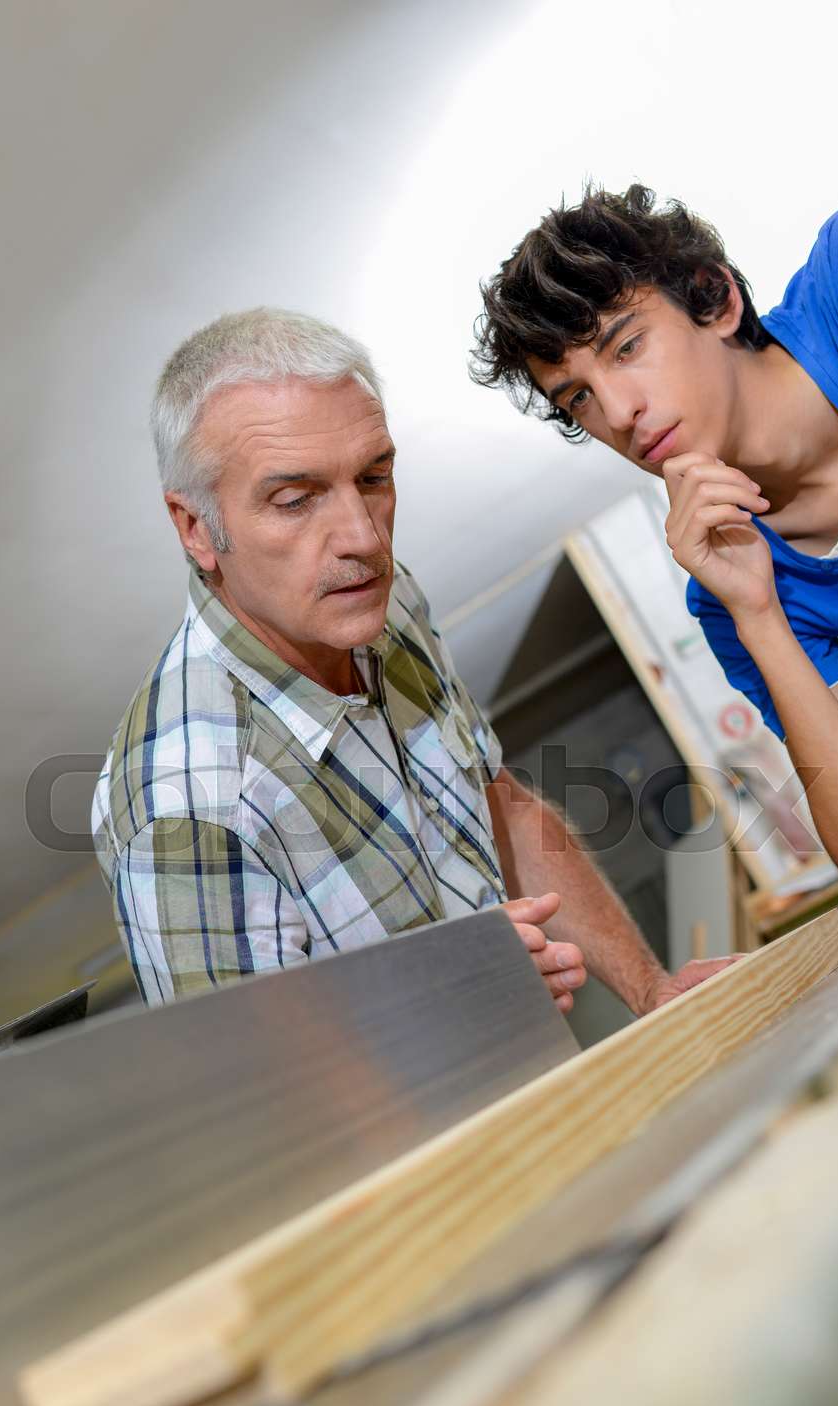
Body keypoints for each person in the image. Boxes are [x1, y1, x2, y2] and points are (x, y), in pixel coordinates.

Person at [92, 307, 729, 1012]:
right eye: (296, 499)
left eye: (372, 477)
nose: (361, 537)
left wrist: (654, 991)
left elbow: (502, 809)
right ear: (195, 528)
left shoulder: (379, 606)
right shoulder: (182, 803)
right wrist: (448, 1005)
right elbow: (257, 1102)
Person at [473, 186, 838, 980]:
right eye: (579, 399)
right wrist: (759, 613)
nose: (621, 412)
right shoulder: (726, 585)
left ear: (716, 299)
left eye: (625, 347)